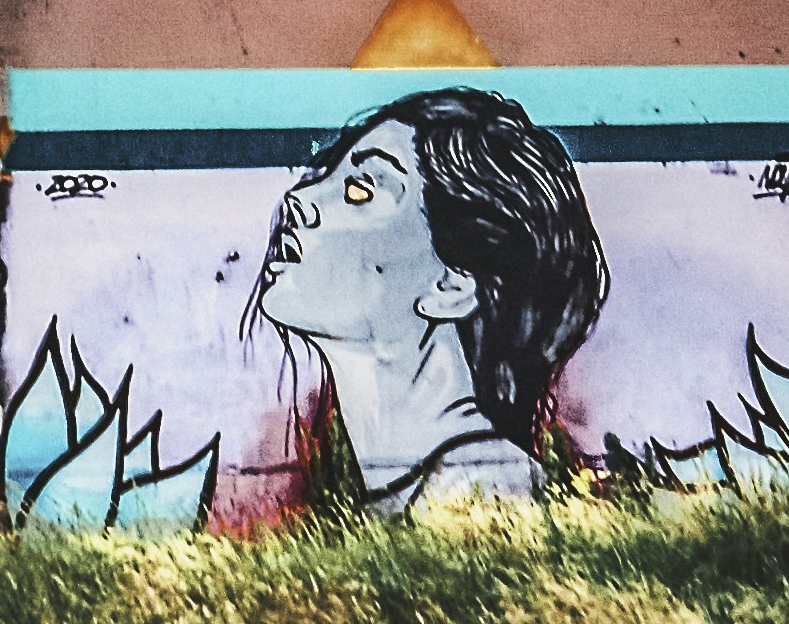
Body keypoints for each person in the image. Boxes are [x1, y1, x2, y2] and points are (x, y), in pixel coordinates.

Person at [243, 85, 610, 513]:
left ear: (451, 286)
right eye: (325, 177)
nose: (300, 201)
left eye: (360, 191)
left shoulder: (486, 497)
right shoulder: (408, 494)